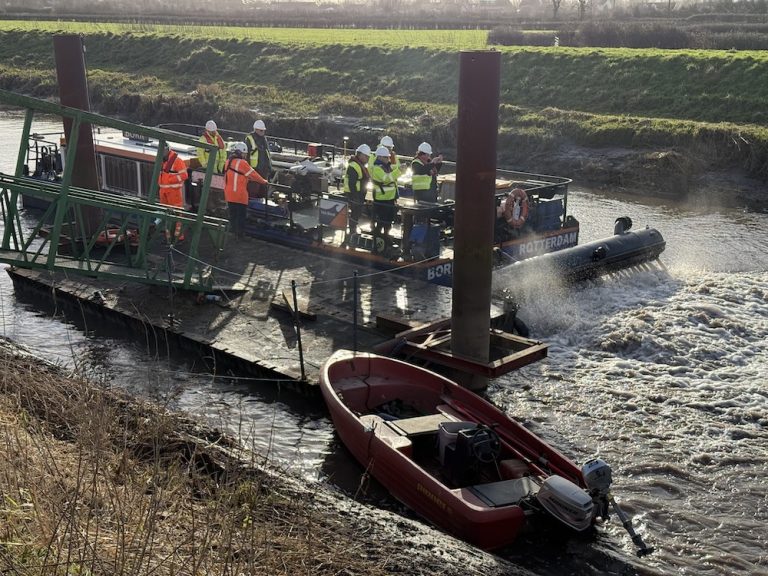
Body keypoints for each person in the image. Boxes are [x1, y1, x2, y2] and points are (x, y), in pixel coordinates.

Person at [223, 142, 268, 237]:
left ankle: (232, 233)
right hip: (239, 194)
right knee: (241, 216)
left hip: (229, 193)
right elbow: (253, 174)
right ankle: (240, 235)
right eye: (245, 154)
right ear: (241, 153)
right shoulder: (242, 163)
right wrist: (264, 181)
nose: (245, 156)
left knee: (232, 215)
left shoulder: (228, 161)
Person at [370, 145, 400, 255]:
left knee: (388, 223)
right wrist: (399, 171)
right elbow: (387, 179)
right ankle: (377, 246)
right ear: (381, 157)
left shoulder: (386, 166)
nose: (388, 159)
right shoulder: (377, 168)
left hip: (390, 199)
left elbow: (392, 177)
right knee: (380, 224)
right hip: (381, 200)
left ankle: (386, 241)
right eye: (387, 157)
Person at [157, 144, 189, 241]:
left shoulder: (177, 161)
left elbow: (184, 175)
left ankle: (178, 237)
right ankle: (169, 238)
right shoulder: (161, 160)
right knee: (166, 215)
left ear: (168, 150)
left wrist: (170, 180)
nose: (162, 152)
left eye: (163, 150)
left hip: (173, 192)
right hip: (163, 192)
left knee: (177, 215)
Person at [342, 143, 371, 245]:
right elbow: (352, 183)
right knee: (355, 213)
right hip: (353, 195)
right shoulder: (354, 166)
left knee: (356, 213)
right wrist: (355, 196)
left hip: (359, 194)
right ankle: (352, 231)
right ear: (361, 155)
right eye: (366, 156)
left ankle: (353, 230)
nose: (368, 158)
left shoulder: (360, 165)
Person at [245, 119, 273, 198]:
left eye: (263, 131)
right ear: (256, 129)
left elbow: (267, 154)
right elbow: (246, 156)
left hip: (263, 170)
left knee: (263, 191)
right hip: (254, 170)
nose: (263, 132)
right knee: (253, 191)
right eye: (261, 130)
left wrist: (269, 167)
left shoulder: (263, 139)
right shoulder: (249, 139)